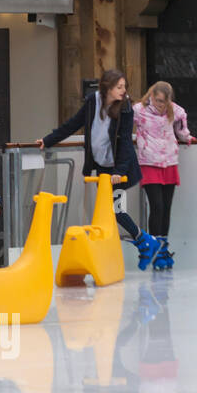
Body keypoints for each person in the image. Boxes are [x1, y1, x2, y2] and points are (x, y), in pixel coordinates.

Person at [37, 69, 160, 269]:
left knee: (114, 209)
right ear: (107, 87)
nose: (123, 91)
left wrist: (119, 172)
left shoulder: (125, 107)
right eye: (119, 87)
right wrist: (48, 140)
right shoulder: (92, 102)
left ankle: (144, 241)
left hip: (120, 170)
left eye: (124, 87)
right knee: (109, 210)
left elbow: (126, 142)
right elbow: (73, 124)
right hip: (102, 168)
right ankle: (143, 242)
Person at [134, 81, 195, 271]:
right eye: (157, 100)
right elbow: (125, 123)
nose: (160, 104)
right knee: (157, 205)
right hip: (149, 161)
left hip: (169, 161)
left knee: (167, 207)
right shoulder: (139, 110)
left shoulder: (175, 111)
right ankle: (155, 247)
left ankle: (163, 247)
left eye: (163, 101)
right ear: (151, 96)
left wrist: (187, 137)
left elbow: (181, 129)